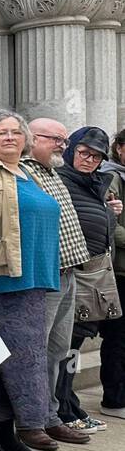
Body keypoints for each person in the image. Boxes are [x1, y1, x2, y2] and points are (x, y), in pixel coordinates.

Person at [0, 110, 64, 451]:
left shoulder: (28, 173)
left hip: (33, 278)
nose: (9, 137)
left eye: (15, 132)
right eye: (0, 132)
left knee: (21, 364)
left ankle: (10, 436)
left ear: (25, 139)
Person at [22, 117, 92, 447]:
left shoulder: (51, 170)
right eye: (56, 140)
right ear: (31, 138)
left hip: (68, 271)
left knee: (58, 349)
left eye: (64, 141)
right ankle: (34, 419)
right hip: (45, 277)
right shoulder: (23, 171)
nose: (62, 147)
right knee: (39, 350)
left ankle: (49, 414)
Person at [54, 127, 123, 430]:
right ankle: (60, 407)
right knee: (63, 345)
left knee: (75, 344)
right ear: (71, 151)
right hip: (70, 274)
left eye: (96, 156)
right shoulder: (60, 180)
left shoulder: (96, 184)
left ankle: (68, 401)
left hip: (92, 274)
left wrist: (110, 211)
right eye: (84, 153)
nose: (90, 160)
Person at [97, 129, 125, 419]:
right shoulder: (111, 176)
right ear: (119, 148)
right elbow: (110, 227)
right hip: (117, 271)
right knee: (117, 338)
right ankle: (114, 399)